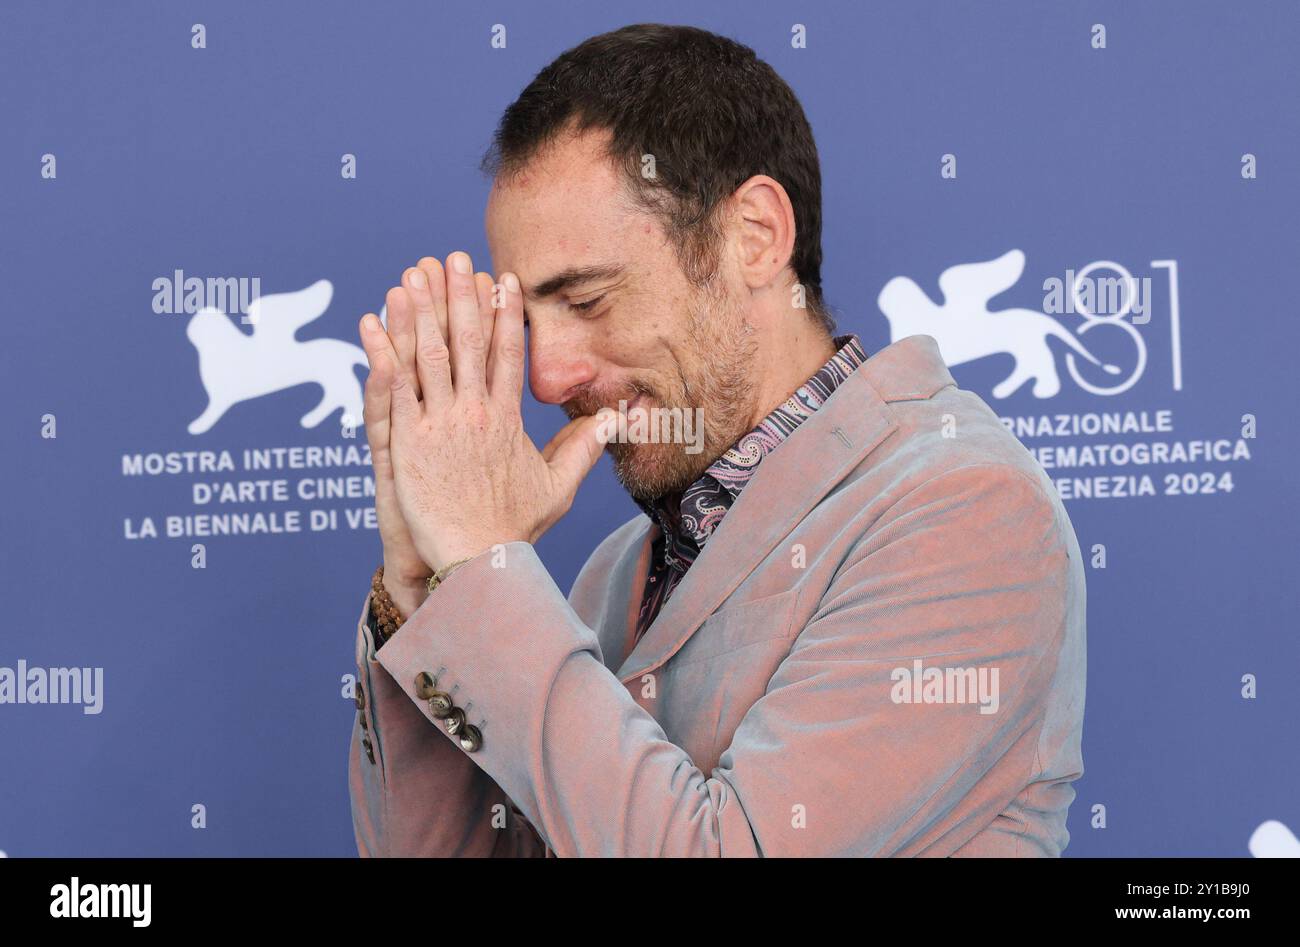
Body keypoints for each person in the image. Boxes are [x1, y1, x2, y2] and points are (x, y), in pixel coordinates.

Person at [347, 23, 1086, 857]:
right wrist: (424, 583)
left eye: (587, 301)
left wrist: (482, 566)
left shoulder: (965, 512)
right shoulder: (617, 570)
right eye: (526, 323)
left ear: (756, 236)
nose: (547, 380)